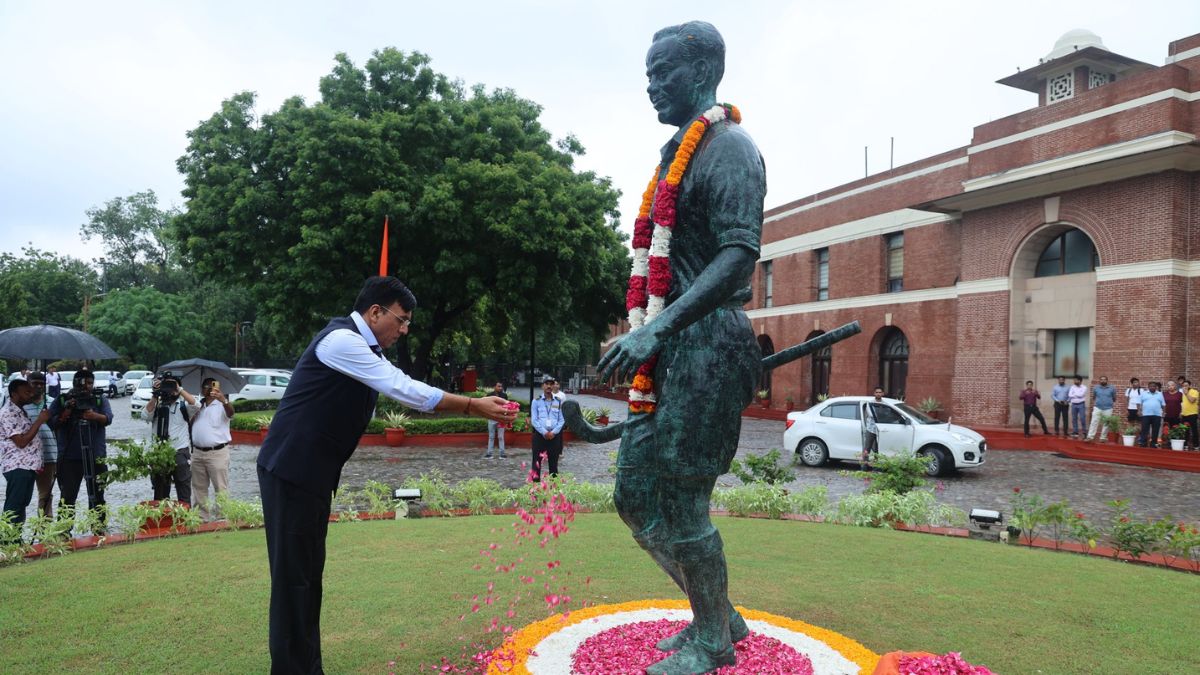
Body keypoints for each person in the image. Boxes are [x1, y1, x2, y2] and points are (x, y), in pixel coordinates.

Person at [590, 21, 767, 673]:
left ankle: (713, 639)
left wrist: (657, 327)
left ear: (702, 72)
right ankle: (717, 612)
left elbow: (739, 256)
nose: (651, 86)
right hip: (668, 352)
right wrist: (649, 327)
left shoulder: (729, 148)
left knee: (685, 498)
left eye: (661, 72)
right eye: (647, 73)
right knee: (634, 495)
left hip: (709, 347)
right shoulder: (675, 157)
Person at [256, 275, 515, 673]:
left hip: (309, 474)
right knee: (294, 581)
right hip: (292, 469)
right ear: (375, 312)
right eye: (402, 318)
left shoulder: (363, 347)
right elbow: (401, 387)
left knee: (307, 577)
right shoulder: (340, 341)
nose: (405, 329)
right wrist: (471, 405)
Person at [48, 370, 112, 527]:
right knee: (68, 495)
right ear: (75, 383)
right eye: (85, 383)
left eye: (90, 383)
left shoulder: (98, 399)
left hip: (95, 454)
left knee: (98, 494)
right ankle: (64, 531)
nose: (87, 387)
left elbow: (108, 418)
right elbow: (52, 422)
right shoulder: (63, 399)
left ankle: (99, 528)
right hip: (70, 456)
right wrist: (67, 411)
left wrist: (93, 416)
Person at [1, 379, 51, 540]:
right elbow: (21, 442)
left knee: (22, 503)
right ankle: (8, 541)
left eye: (30, 391)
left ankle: (16, 538)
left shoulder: (20, 410)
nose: (30, 394)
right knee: (14, 505)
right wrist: (40, 421)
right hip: (17, 466)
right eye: (26, 392)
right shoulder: (8, 412)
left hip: (28, 466)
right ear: (14, 394)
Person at [144, 372, 199, 504]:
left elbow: (196, 405)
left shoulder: (183, 406)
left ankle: (185, 522)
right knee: (160, 494)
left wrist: (178, 389)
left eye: (173, 386)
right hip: (159, 453)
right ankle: (163, 522)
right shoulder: (157, 404)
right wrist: (155, 395)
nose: (170, 389)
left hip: (180, 451)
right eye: (167, 385)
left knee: (183, 491)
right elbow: (145, 416)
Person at [191, 377, 234, 515]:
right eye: (206, 387)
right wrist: (194, 412)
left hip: (217, 453)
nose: (209, 390)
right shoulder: (198, 405)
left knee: (220, 487)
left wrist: (224, 400)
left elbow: (231, 413)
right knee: (198, 487)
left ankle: (222, 516)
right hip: (197, 452)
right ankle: (201, 516)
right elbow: (189, 425)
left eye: (212, 387)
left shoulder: (222, 405)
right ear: (201, 389)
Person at [25, 372, 59, 517]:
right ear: (28, 384)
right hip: (25, 457)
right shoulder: (21, 405)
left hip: (49, 455)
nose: (39, 386)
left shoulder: (53, 403)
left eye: (41, 383)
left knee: (45, 494)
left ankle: (45, 528)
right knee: (22, 496)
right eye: (35, 383)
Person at [530, 375, 565, 479]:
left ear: (554, 386)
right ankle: (535, 490)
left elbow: (562, 419)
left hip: (554, 437)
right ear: (542, 386)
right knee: (536, 463)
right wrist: (544, 432)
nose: (549, 386)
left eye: (551, 384)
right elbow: (534, 420)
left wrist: (553, 432)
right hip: (540, 436)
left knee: (553, 465)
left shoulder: (559, 401)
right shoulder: (536, 401)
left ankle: (553, 490)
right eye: (547, 384)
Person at [1085, 376, 1115, 442]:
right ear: (1099, 381)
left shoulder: (1112, 388)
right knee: (1094, 422)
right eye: (1101, 379)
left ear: (1107, 380)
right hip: (1097, 408)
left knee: (1106, 423)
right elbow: (1094, 397)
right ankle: (1090, 437)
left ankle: (1103, 438)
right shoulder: (1096, 388)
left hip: (1108, 408)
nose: (1103, 381)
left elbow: (1114, 398)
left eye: (1104, 379)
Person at [483, 381, 509, 459]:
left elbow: (507, 406)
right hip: (491, 418)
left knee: (501, 437)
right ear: (494, 387)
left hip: (501, 418)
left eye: (501, 386)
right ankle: (489, 453)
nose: (500, 388)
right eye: (498, 386)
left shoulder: (504, 395)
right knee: (491, 437)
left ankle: (502, 453)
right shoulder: (489, 395)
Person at [1136, 381, 1165, 448]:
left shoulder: (1160, 394)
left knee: (1155, 430)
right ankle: (1143, 442)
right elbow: (1138, 402)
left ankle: (1153, 443)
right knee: (1144, 429)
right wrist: (1139, 411)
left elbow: (1163, 404)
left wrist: (1163, 412)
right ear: (1148, 387)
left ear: (1156, 387)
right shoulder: (1143, 393)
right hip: (1146, 414)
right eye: (1151, 386)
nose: (1152, 387)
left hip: (1157, 415)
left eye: (1154, 386)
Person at [860, 386, 884, 467]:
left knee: (878, 449)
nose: (878, 394)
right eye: (877, 392)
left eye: (880, 392)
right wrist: (881, 414)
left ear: (882, 393)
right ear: (874, 393)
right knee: (867, 448)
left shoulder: (885, 403)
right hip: (871, 429)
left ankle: (876, 467)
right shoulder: (869, 403)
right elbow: (871, 415)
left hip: (881, 430)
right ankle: (864, 467)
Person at [1162, 379, 1183, 445]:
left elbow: (1183, 404)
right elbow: (1162, 404)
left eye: (1172, 385)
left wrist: (1181, 412)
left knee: (1176, 429)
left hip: (1176, 415)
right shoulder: (1164, 394)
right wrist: (1163, 412)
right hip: (1167, 415)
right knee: (1166, 430)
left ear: (1175, 386)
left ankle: (1174, 443)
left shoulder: (1180, 394)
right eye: (1168, 385)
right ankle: (1167, 443)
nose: (1170, 387)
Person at [1181, 379, 1199, 451]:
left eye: (1186, 385)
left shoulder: (1195, 392)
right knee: (1185, 431)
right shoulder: (1182, 393)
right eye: (1183, 386)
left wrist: (1186, 393)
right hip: (1184, 414)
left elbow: (1192, 400)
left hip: (1192, 414)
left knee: (1194, 431)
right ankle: (1185, 445)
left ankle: (1196, 446)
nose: (1185, 387)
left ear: (1190, 385)